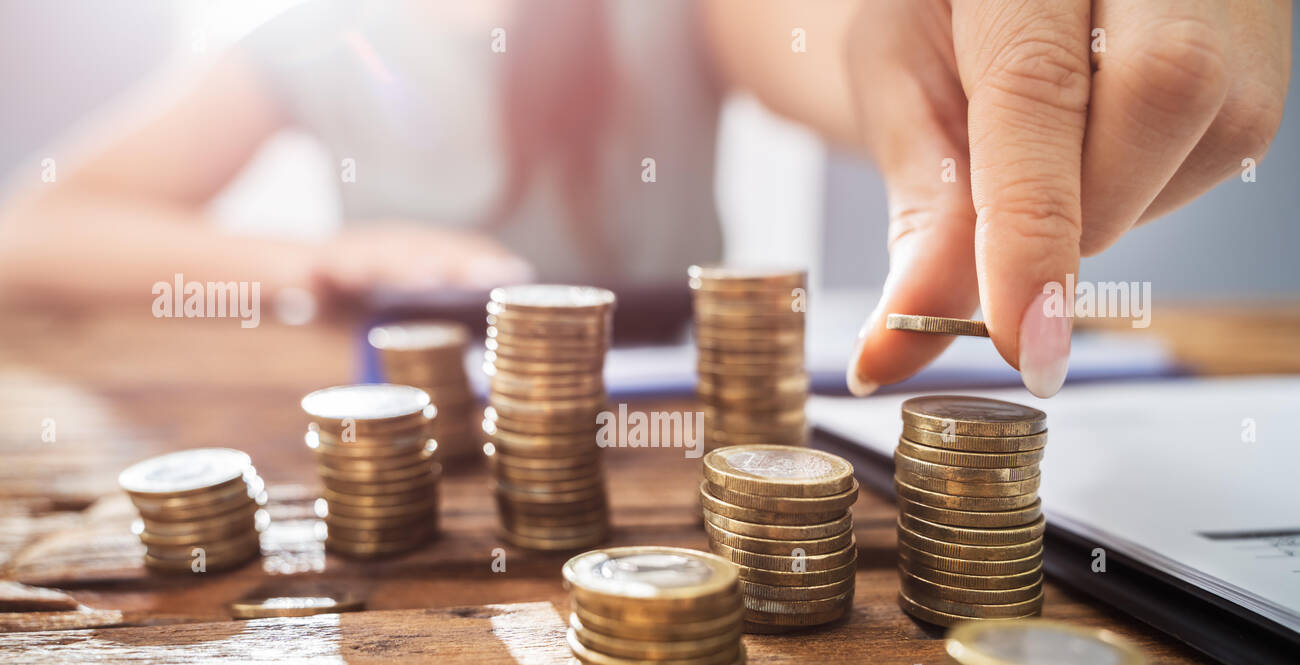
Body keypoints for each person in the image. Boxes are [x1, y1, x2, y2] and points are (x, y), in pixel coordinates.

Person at [0, 0, 1289, 398]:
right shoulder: (313, 39)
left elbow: (845, 47)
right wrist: (315, 267)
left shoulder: (674, 10)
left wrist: (945, 52)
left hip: (702, 439)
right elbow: (33, 227)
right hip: (448, 446)